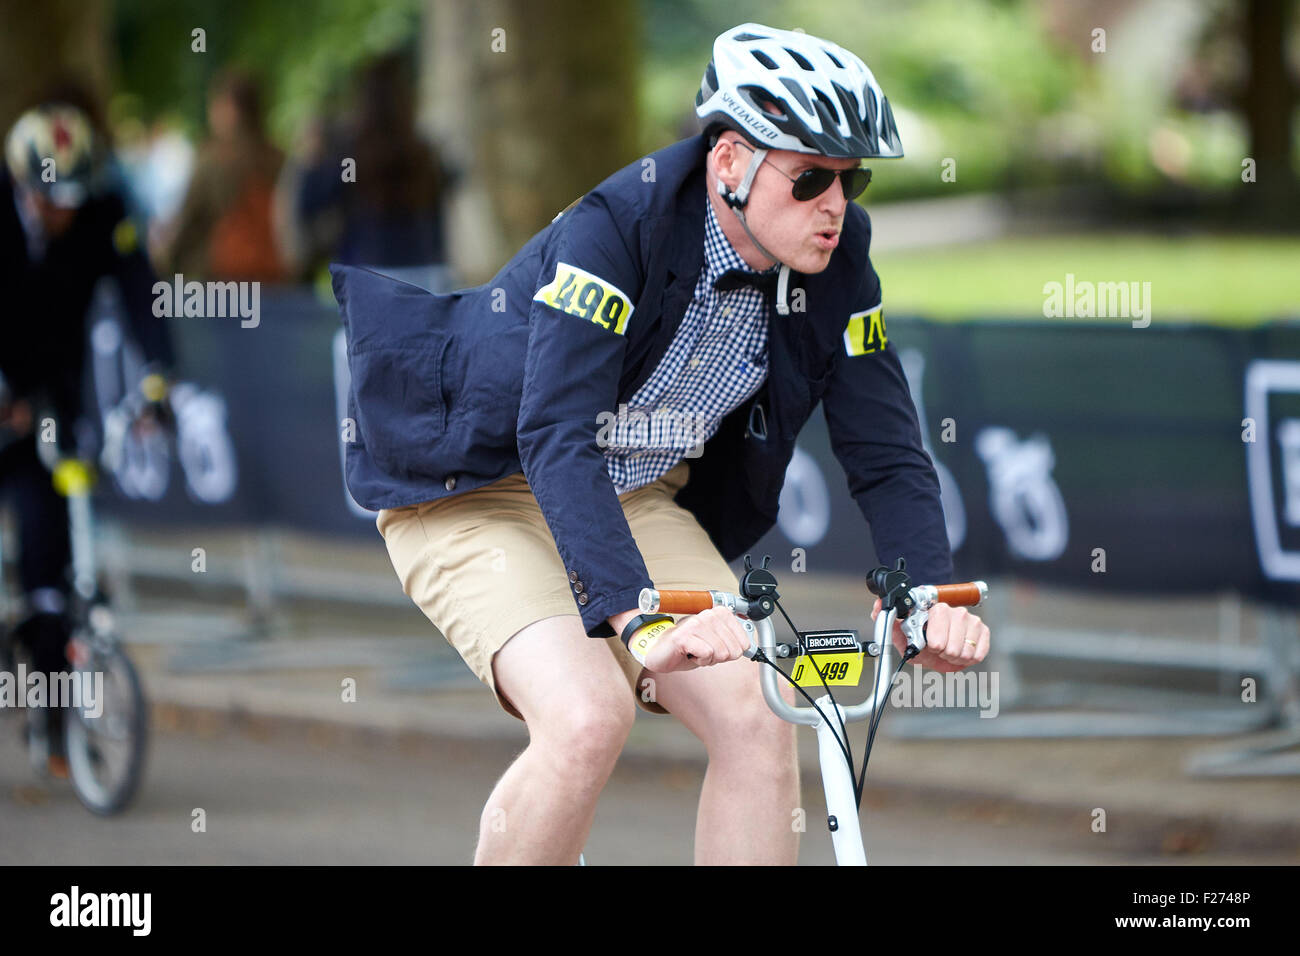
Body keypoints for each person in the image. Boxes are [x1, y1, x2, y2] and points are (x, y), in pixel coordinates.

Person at [332, 23, 990, 865]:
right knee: (586, 719)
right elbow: (555, 433)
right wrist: (635, 613)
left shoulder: (836, 258)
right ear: (729, 164)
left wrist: (927, 591)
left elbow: (887, 445)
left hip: (633, 492)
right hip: (476, 491)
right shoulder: (618, 227)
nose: (836, 203)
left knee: (763, 710)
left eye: (852, 178)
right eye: (812, 177)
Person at [0, 101, 175, 777]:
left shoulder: (100, 216)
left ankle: (52, 725)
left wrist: (156, 378)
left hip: (50, 399)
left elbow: (141, 295)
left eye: (70, 198)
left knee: (50, 553)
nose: (60, 213)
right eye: (48, 200)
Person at [162, 68, 287, 282]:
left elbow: (188, 224)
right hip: (276, 278)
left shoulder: (212, 161)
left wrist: (165, 261)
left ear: (230, 108)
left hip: (222, 281)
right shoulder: (280, 159)